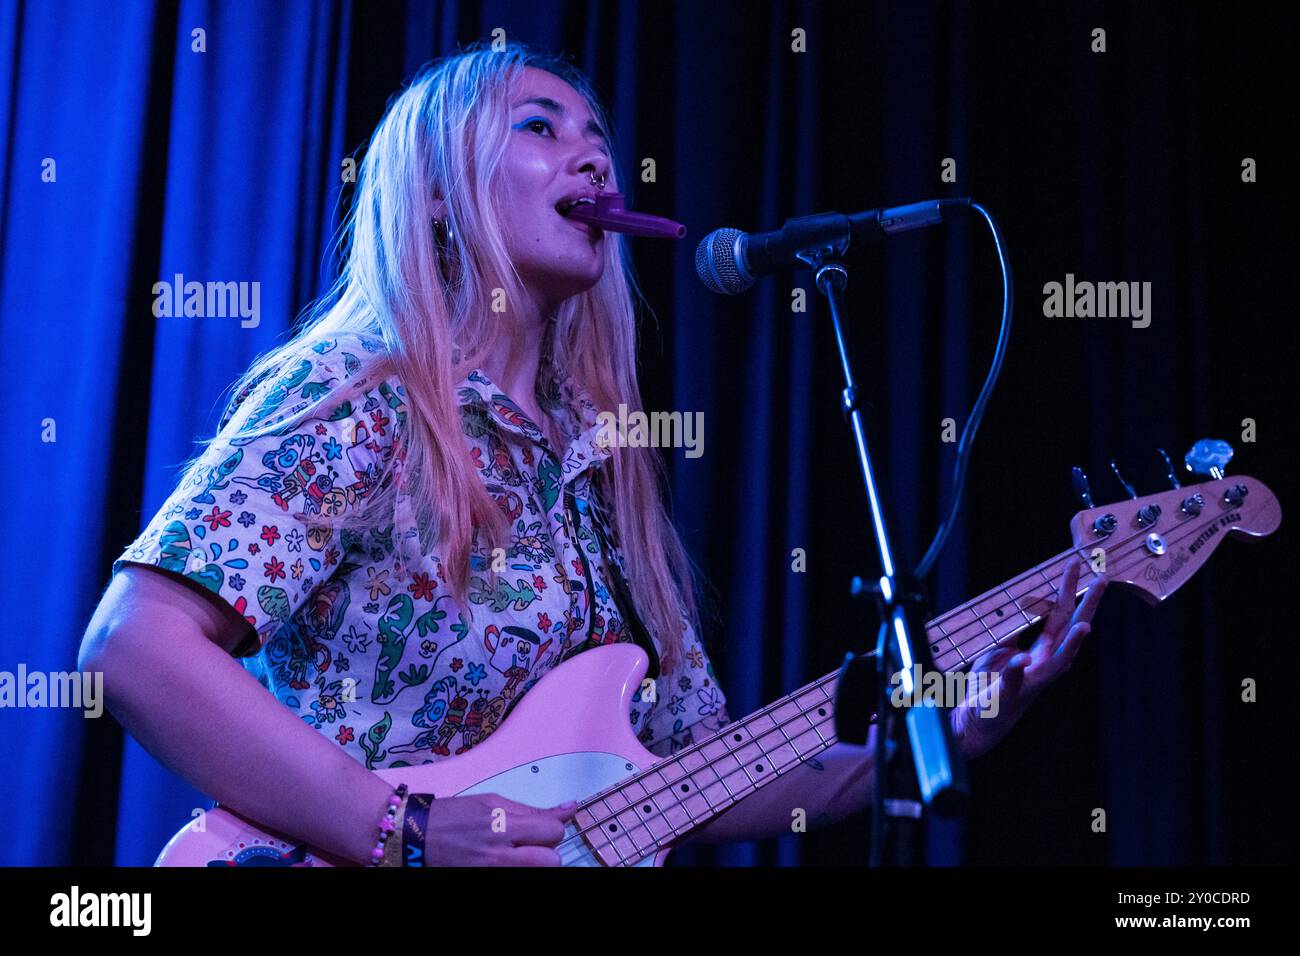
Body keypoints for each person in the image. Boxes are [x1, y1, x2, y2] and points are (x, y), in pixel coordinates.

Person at [78, 41, 1107, 867]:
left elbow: (693, 775)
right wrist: (400, 827)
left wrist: (929, 729)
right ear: (436, 193)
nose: (595, 158)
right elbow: (134, 647)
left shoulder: (605, 466)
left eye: (600, 137)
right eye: (540, 127)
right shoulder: (363, 392)